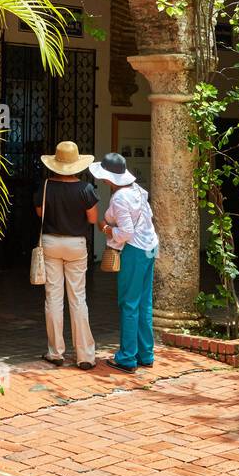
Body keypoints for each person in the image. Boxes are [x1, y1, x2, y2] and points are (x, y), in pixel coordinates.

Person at [89, 151, 158, 373]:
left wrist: (106, 229)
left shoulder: (119, 197)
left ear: (109, 178)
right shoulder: (137, 190)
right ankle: (145, 354)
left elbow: (126, 232)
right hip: (150, 248)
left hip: (135, 251)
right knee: (144, 303)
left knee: (129, 303)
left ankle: (127, 357)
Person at [33, 140, 98, 369]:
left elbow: (40, 213)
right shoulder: (85, 189)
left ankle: (56, 352)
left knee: (53, 297)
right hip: (76, 244)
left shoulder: (47, 186)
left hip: (51, 242)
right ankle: (85, 355)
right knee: (78, 298)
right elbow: (92, 218)